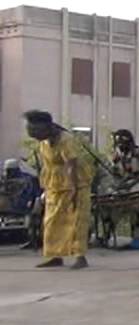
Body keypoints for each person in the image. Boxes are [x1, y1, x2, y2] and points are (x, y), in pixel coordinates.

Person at [23, 110, 95, 269]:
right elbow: (46, 166)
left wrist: (74, 188)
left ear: (46, 127)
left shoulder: (66, 140)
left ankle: (80, 257)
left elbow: (71, 165)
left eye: (35, 130)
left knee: (76, 221)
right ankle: (55, 255)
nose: (32, 134)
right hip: (54, 186)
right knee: (51, 221)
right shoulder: (43, 141)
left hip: (75, 183)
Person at [102, 129, 139, 247]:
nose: (120, 144)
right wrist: (117, 179)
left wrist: (132, 182)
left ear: (129, 142)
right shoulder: (116, 155)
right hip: (122, 185)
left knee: (136, 208)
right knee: (109, 205)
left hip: (138, 184)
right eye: (118, 142)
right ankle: (106, 236)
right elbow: (116, 173)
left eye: (122, 142)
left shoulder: (138, 153)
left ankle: (138, 238)